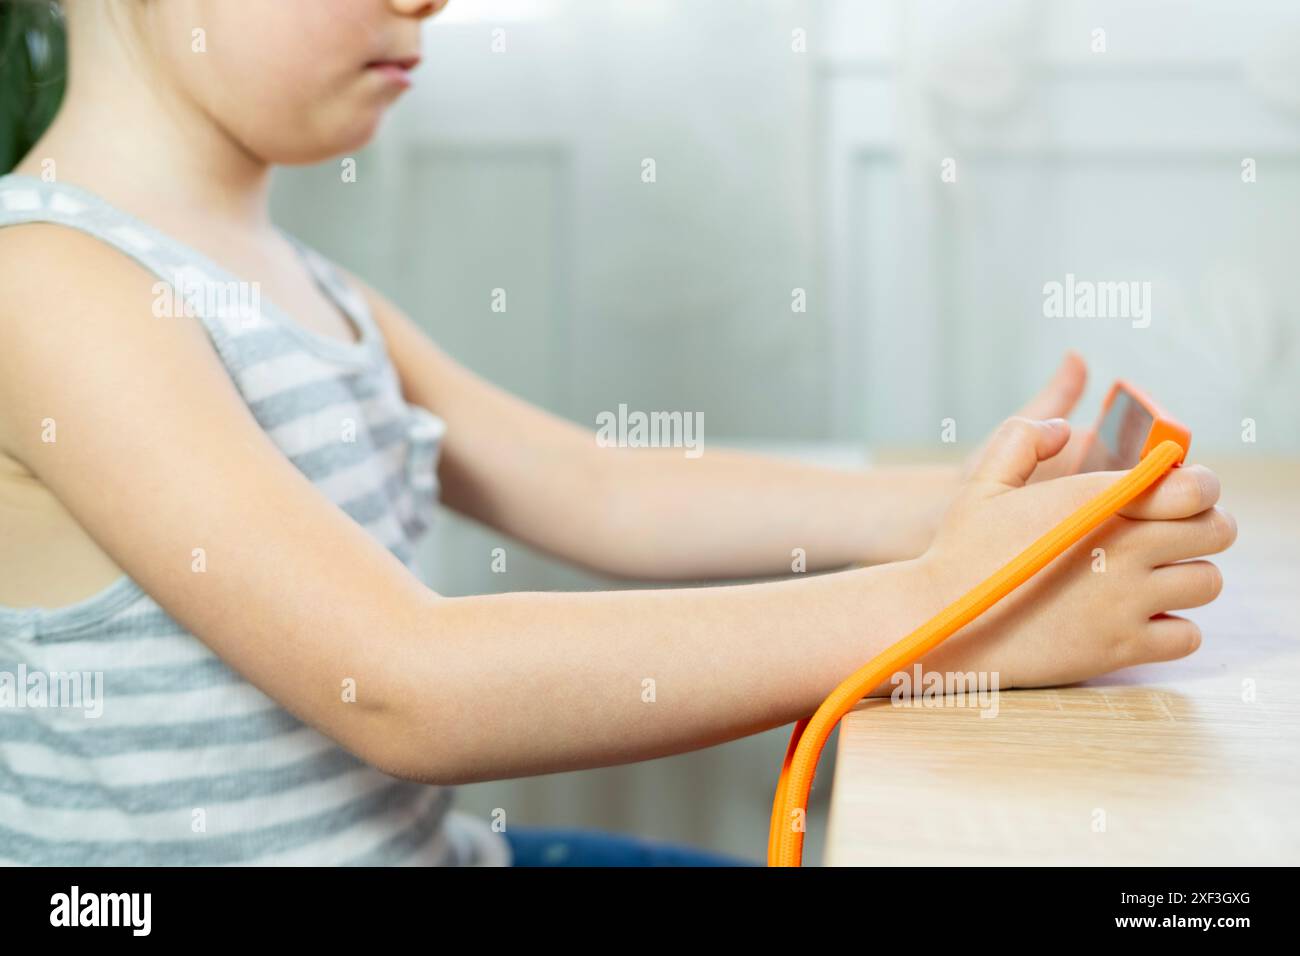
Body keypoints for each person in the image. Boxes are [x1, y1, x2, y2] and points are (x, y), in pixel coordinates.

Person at [0, 0, 1235, 866]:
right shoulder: (47, 286)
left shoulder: (297, 279)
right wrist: (947, 606)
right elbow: (400, 681)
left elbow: (596, 488)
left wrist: (952, 512)